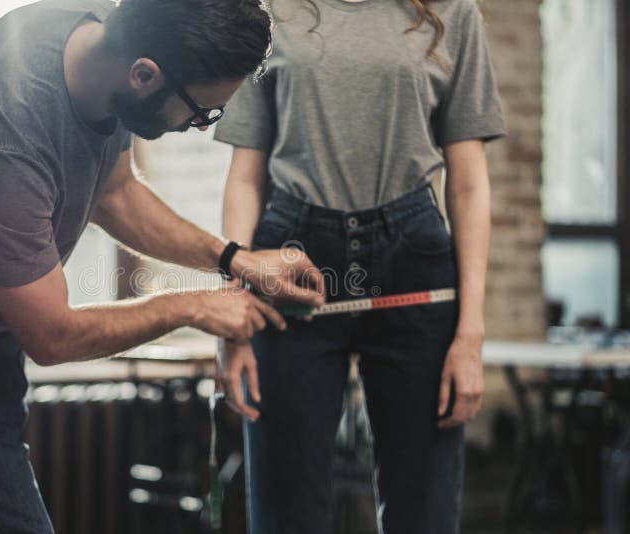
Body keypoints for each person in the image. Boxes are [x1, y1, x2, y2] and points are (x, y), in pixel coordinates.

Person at [0, 0, 326, 531]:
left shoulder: (99, 35)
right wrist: (192, 307)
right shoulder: (6, 135)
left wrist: (235, 260)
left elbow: (115, 196)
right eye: (200, 111)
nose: (199, 127)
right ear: (145, 74)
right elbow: (52, 337)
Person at [214, 0, 506, 532]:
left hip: (414, 266)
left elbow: (468, 182)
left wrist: (471, 336)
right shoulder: (269, 10)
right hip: (289, 265)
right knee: (285, 515)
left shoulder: (452, 11)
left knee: (425, 514)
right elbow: (245, 176)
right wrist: (234, 315)